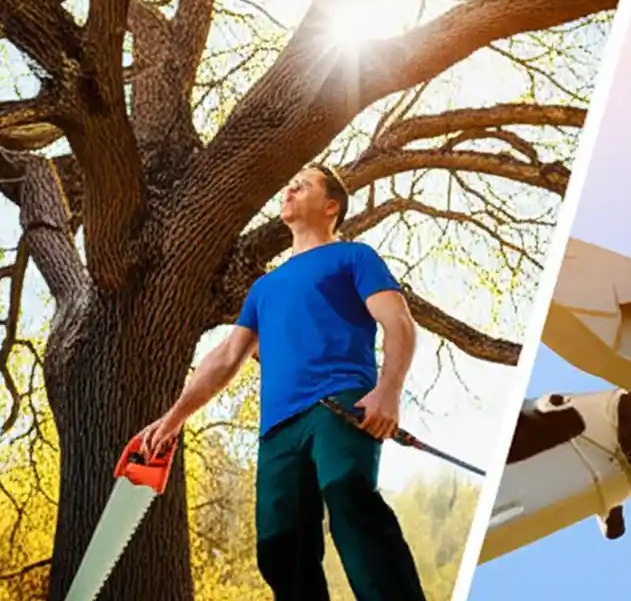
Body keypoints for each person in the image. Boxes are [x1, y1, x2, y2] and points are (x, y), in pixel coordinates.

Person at [138, 163, 427, 601]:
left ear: (331, 205)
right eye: (289, 183)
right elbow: (226, 358)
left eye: (303, 184)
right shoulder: (264, 288)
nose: (289, 188)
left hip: (341, 404)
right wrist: (173, 418)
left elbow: (398, 322)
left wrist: (388, 390)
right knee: (279, 548)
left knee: (349, 498)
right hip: (278, 431)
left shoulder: (353, 257)